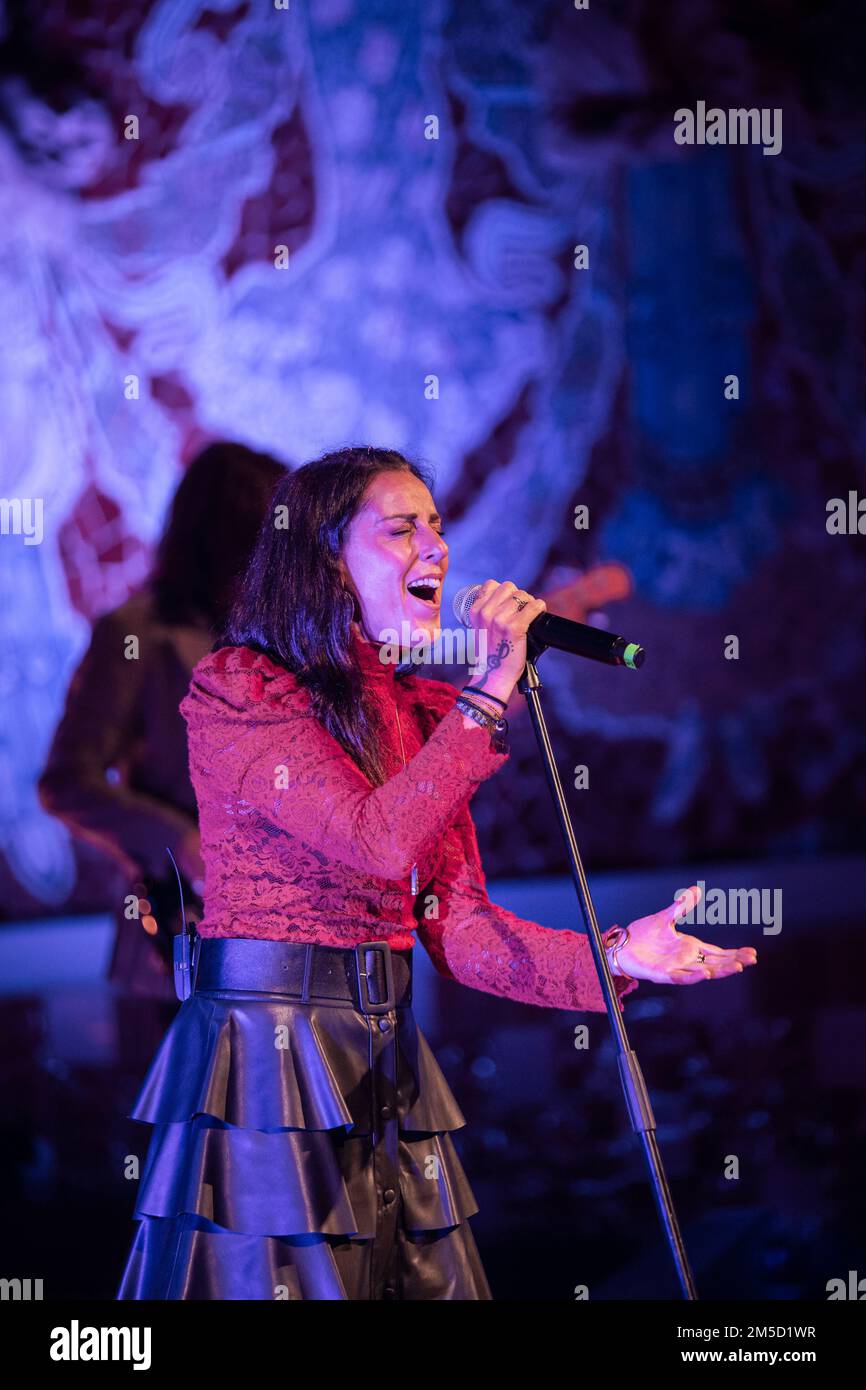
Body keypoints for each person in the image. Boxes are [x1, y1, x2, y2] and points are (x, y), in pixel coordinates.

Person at [116, 445, 757, 1301]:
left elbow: (459, 925)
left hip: (385, 1053)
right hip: (267, 1060)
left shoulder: (417, 710)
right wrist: (491, 691)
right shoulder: (242, 689)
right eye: (401, 529)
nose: (436, 547)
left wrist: (615, 959)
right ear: (325, 560)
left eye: (439, 526)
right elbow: (373, 841)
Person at [38, 443, 287, 1010]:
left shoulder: (282, 635)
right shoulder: (136, 633)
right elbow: (66, 781)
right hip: (181, 934)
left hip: (289, 940)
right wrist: (179, 841)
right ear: (228, 534)